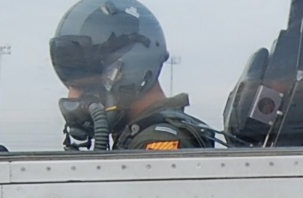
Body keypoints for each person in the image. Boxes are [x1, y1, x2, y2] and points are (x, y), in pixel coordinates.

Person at [49, 0, 214, 151]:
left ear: (124, 73)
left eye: (83, 84)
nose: (72, 96)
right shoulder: (136, 136)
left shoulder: (158, 144)